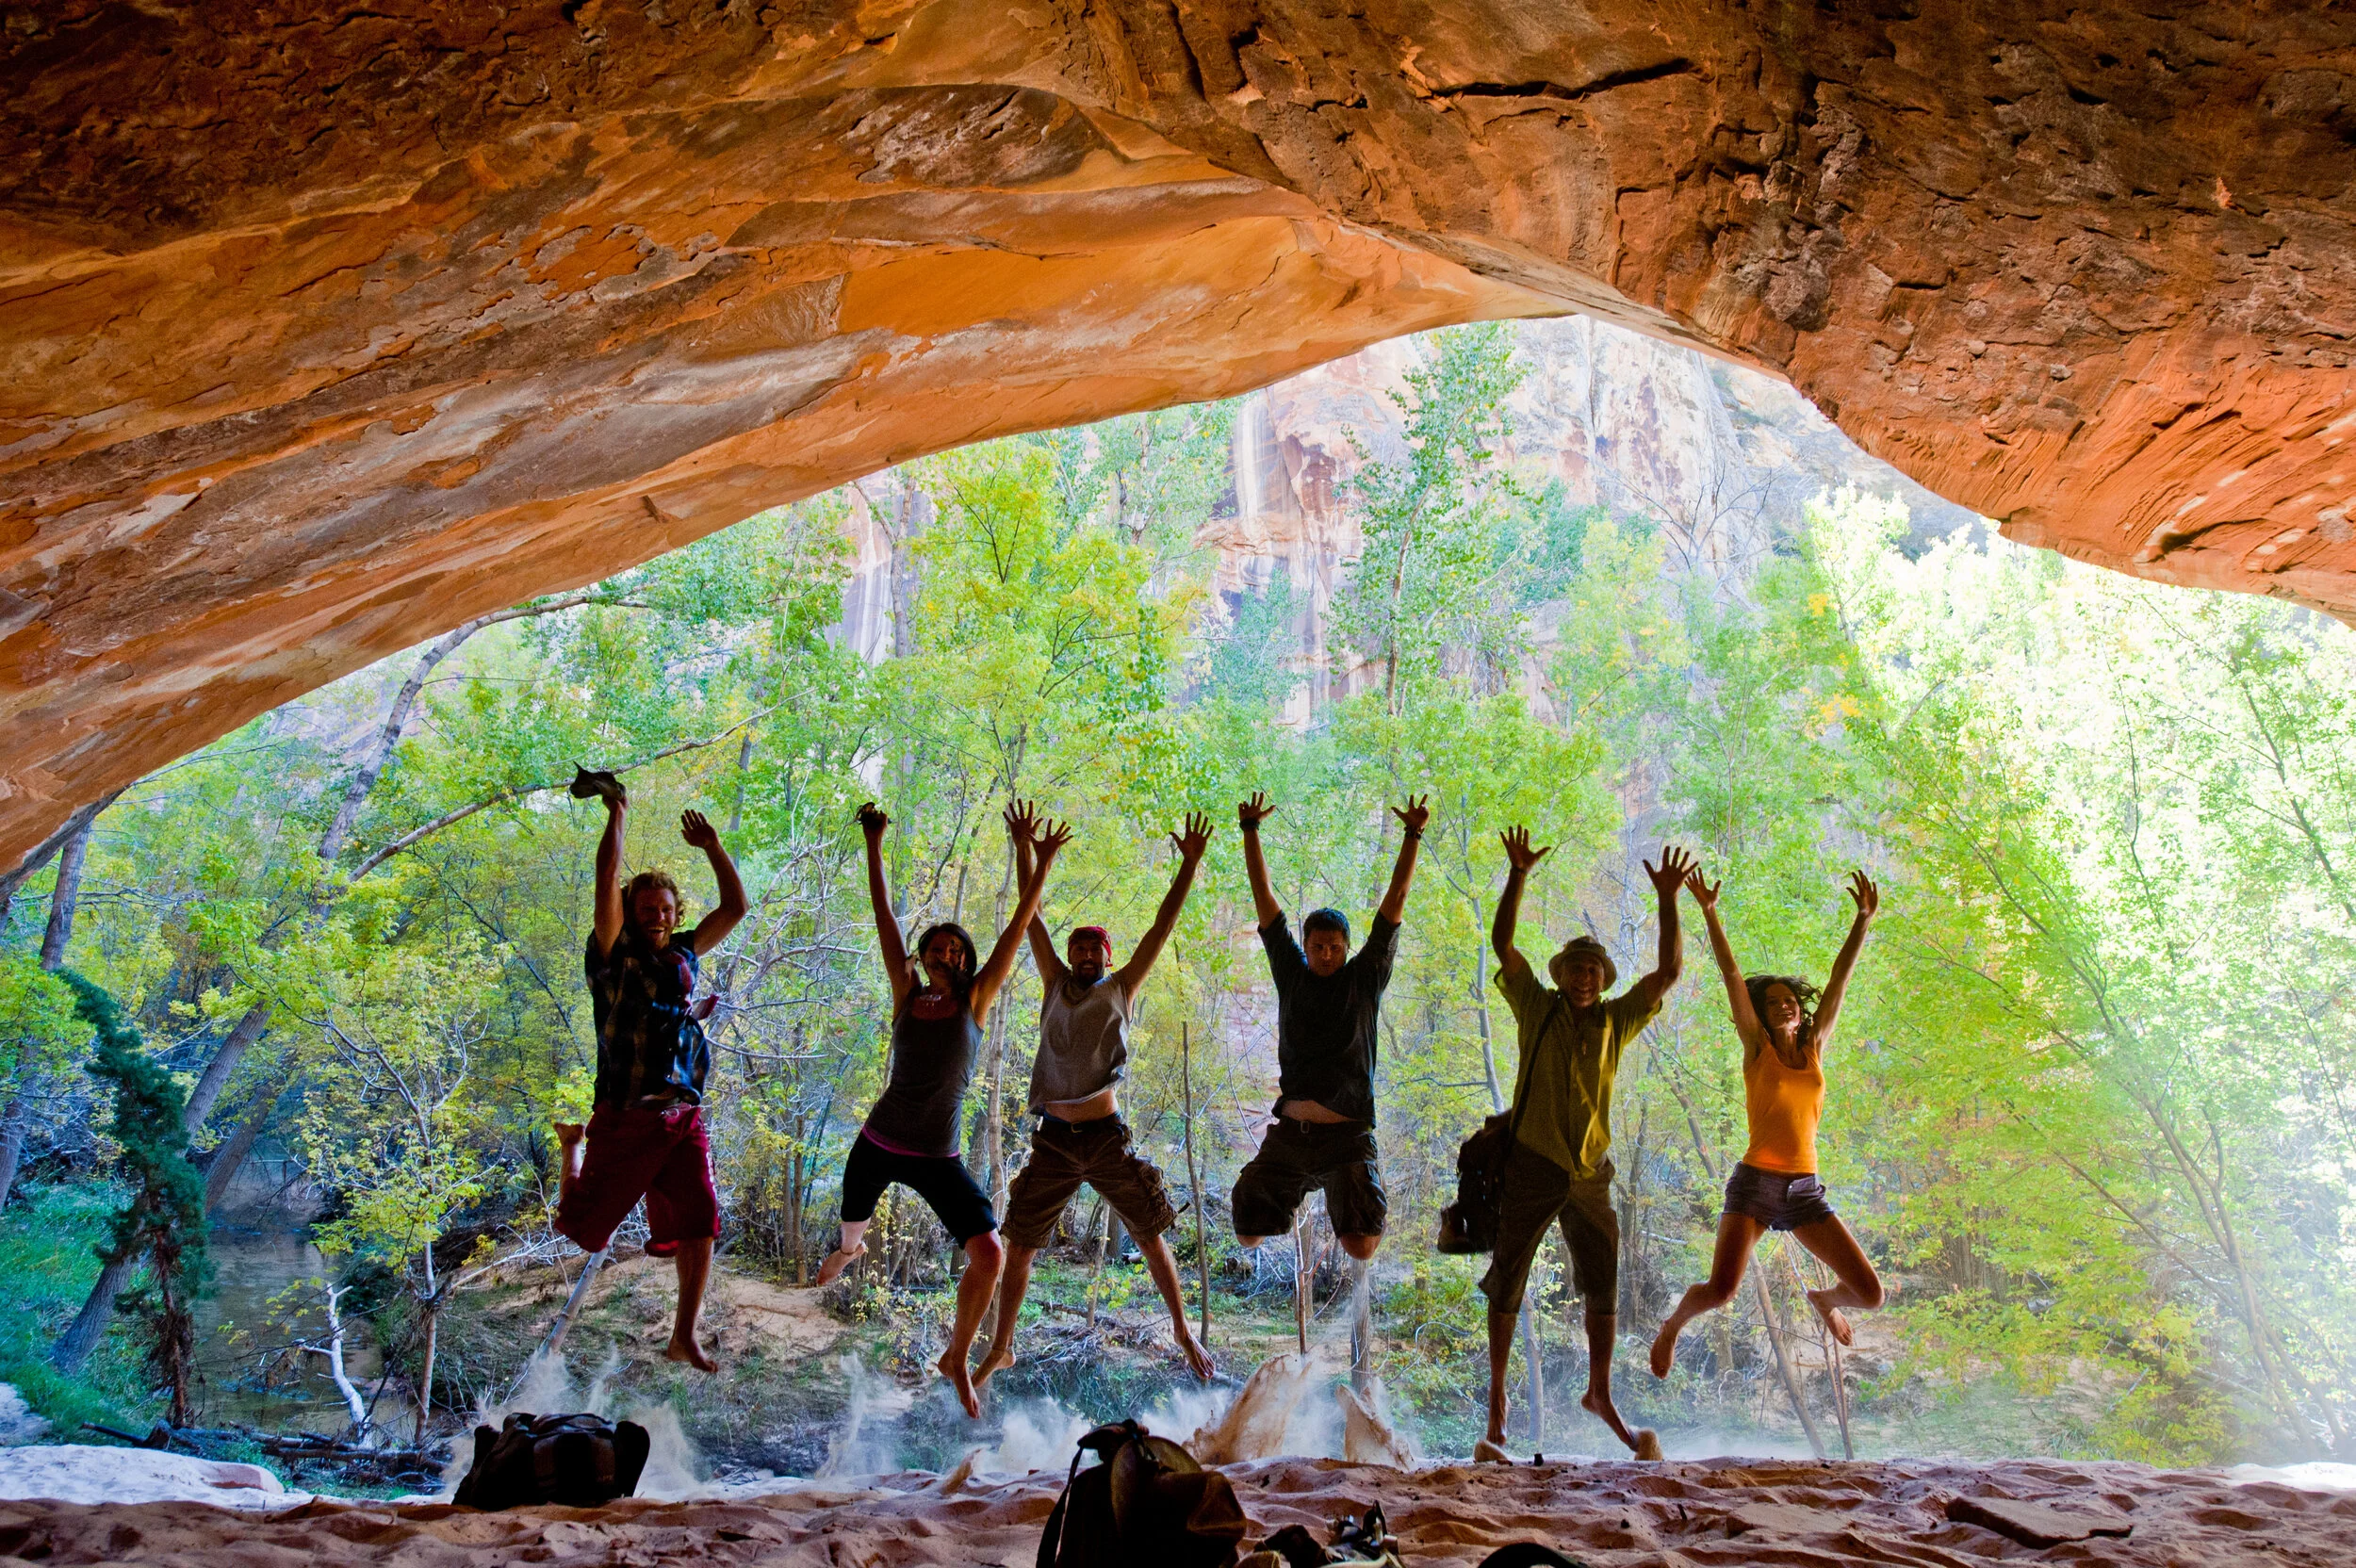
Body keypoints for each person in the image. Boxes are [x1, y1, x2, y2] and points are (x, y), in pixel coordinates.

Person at [814, 799, 1065, 1418]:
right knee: (850, 1235)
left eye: (958, 950)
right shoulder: (906, 994)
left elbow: (1015, 929)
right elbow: (883, 919)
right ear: (924, 957)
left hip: (936, 1156)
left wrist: (1041, 864)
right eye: (938, 948)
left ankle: (957, 1356)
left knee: (990, 1252)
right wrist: (874, 844)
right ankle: (851, 1250)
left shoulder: (975, 1002)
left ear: (966, 960)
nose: (947, 956)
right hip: (877, 1142)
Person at [974, 808, 1218, 1391]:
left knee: (1149, 1231)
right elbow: (1029, 918)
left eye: (1095, 949)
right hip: (1055, 1142)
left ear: (1108, 958)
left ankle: (1184, 1330)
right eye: (1077, 947)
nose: (1085, 955)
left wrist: (1188, 866)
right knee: (1020, 1242)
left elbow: (1160, 929)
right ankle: (1003, 1345)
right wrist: (1023, 847)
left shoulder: (1121, 989)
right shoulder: (1055, 985)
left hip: (1106, 1139)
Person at [1480, 827, 1694, 1461]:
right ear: (1562, 973)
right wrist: (1517, 874)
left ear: (1602, 979)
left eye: (1593, 969)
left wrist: (1669, 899)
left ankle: (1599, 1394)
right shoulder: (1534, 1005)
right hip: (1532, 1163)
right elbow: (1503, 945)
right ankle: (1497, 1408)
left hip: (1590, 1173)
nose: (1583, 976)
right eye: (1575, 966)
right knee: (1509, 1278)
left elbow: (1670, 972)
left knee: (1603, 1281)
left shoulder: (1614, 1019)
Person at [1648, 867, 1886, 1379]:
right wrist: (1709, 913)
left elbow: (1840, 982)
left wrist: (1862, 922)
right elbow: (1732, 977)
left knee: (1871, 1293)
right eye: (1773, 1001)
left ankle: (1825, 1301)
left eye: (1791, 1001)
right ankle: (1671, 1326)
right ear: (1760, 1014)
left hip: (1805, 1191)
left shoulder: (1815, 1048)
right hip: (1756, 1184)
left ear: (1801, 1012)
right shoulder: (1756, 1050)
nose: (1785, 1005)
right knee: (1721, 1291)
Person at [554, 784, 748, 1374]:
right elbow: (604, 877)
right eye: (646, 909)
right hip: (628, 1114)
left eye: (665, 909)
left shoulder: (687, 952)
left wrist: (714, 846)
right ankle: (572, 1149)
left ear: (676, 913)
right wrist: (617, 813)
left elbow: (736, 909)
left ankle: (682, 1335)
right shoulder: (612, 953)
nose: (657, 917)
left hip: (681, 1114)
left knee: (700, 1224)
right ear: (629, 914)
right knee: (583, 1232)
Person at [1228, 792, 1427, 1264]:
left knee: (1360, 1248)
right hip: (1292, 1136)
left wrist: (1412, 835)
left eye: (1335, 947)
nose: (1326, 955)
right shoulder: (1292, 973)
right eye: (1318, 946)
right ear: (1307, 944)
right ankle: (1301, 1192)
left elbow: (1395, 901)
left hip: (1347, 1136)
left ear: (1346, 947)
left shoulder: (1365, 977)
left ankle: (1350, 1188)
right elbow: (1264, 899)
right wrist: (1250, 831)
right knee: (1247, 1232)